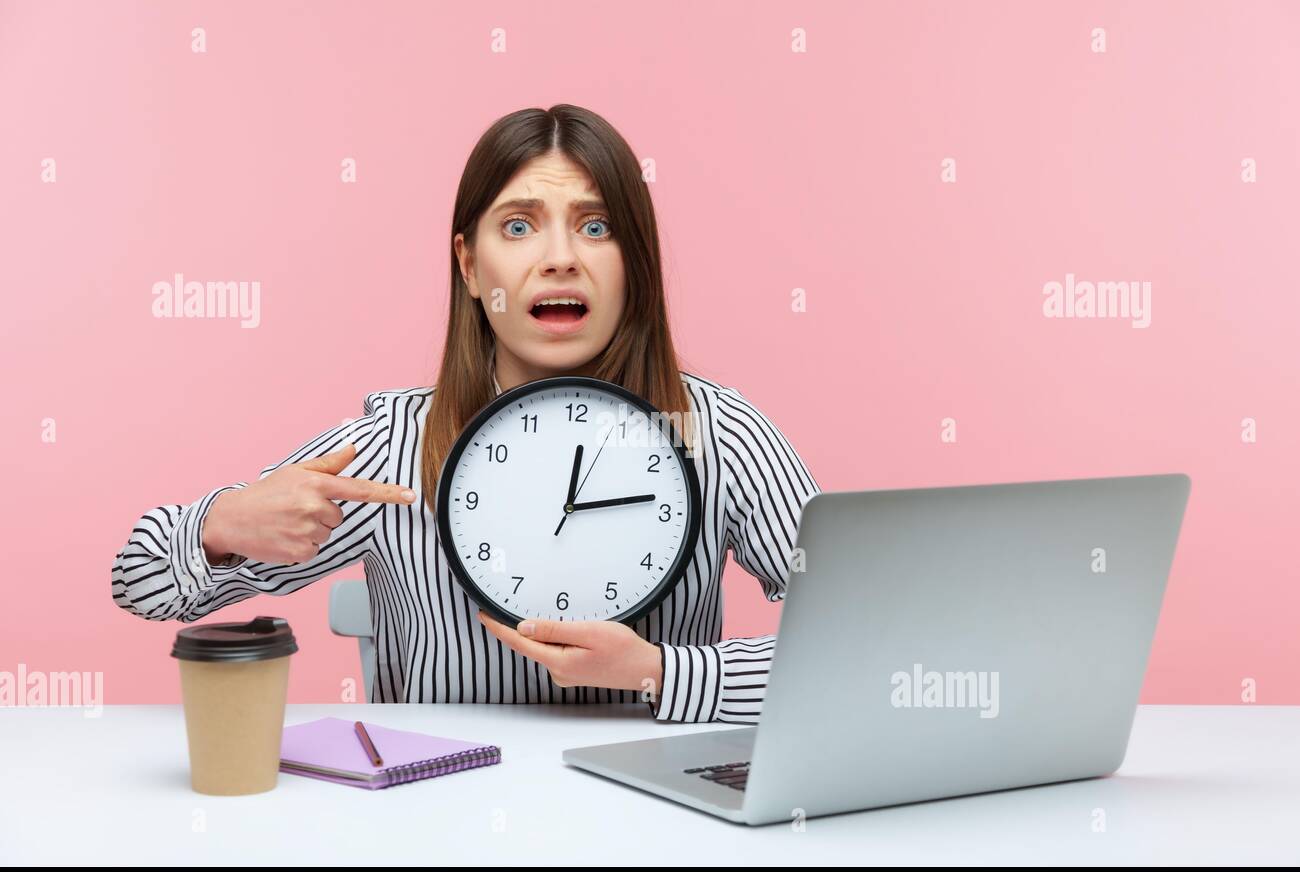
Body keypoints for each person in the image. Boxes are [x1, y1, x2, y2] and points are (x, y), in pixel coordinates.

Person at [111, 104, 820, 724]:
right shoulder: (392, 448)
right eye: (518, 227)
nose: (560, 259)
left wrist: (661, 674)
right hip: (439, 821)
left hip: (657, 822)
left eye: (596, 226)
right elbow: (137, 580)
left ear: (635, 262)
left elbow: (871, 645)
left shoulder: (719, 434)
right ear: (471, 267)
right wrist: (222, 526)